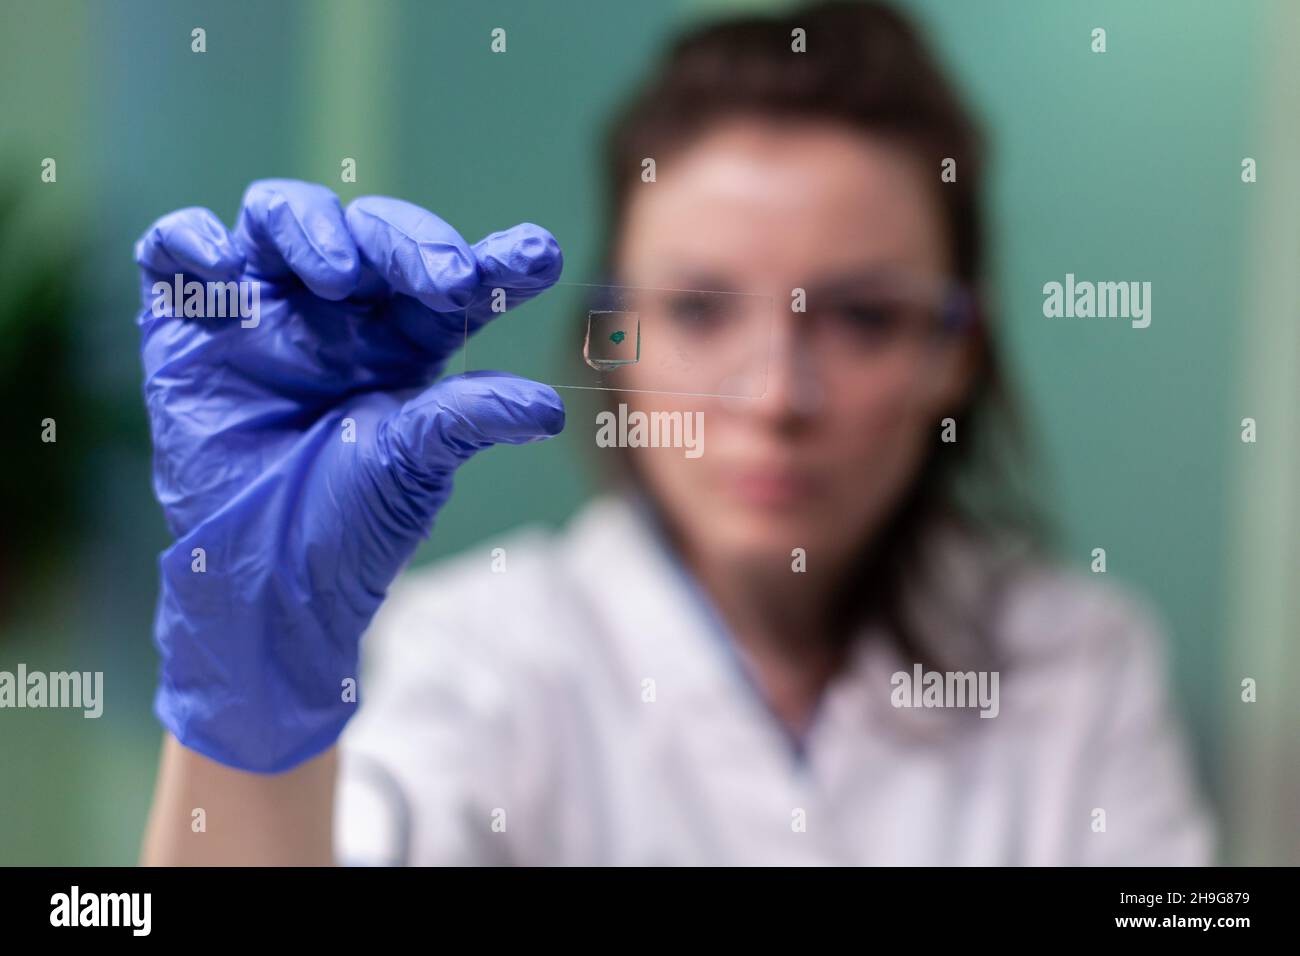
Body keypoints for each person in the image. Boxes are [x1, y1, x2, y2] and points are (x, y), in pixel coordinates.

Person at [139, 1, 1212, 866]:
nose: (777, 395)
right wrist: (254, 697)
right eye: (699, 309)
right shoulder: (475, 657)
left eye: (865, 316)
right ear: (615, 342)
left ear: (956, 357)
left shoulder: (1076, 664)